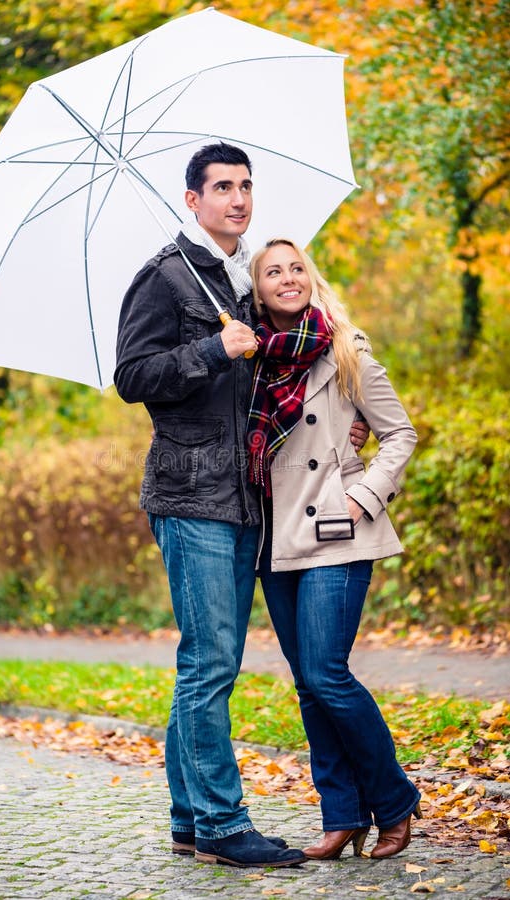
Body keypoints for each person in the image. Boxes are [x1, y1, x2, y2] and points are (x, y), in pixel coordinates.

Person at [114, 143, 367, 868]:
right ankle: (225, 827)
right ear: (191, 199)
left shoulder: (237, 277)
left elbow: (277, 384)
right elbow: (132, 375)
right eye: (221, 187)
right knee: (211, 663)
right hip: (191, 494)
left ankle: (190, 819)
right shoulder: (163, 277)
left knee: (205, 662)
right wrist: (210, 351)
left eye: (245, 185)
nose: (238, 198)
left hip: (246, 497)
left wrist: (338, 419)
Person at [247, 238, 422, 861]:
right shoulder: (252, 363)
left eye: (297, 268)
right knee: (307, 685)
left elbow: (400, 433)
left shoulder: (346, 350)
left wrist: (363, 495)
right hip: (275, 538)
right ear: (258, 288)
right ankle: (342, 814)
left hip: (336, 531)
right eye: (273, 271)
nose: (288, 278)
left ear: (310, 279)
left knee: (327, 673)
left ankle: (396, 800)